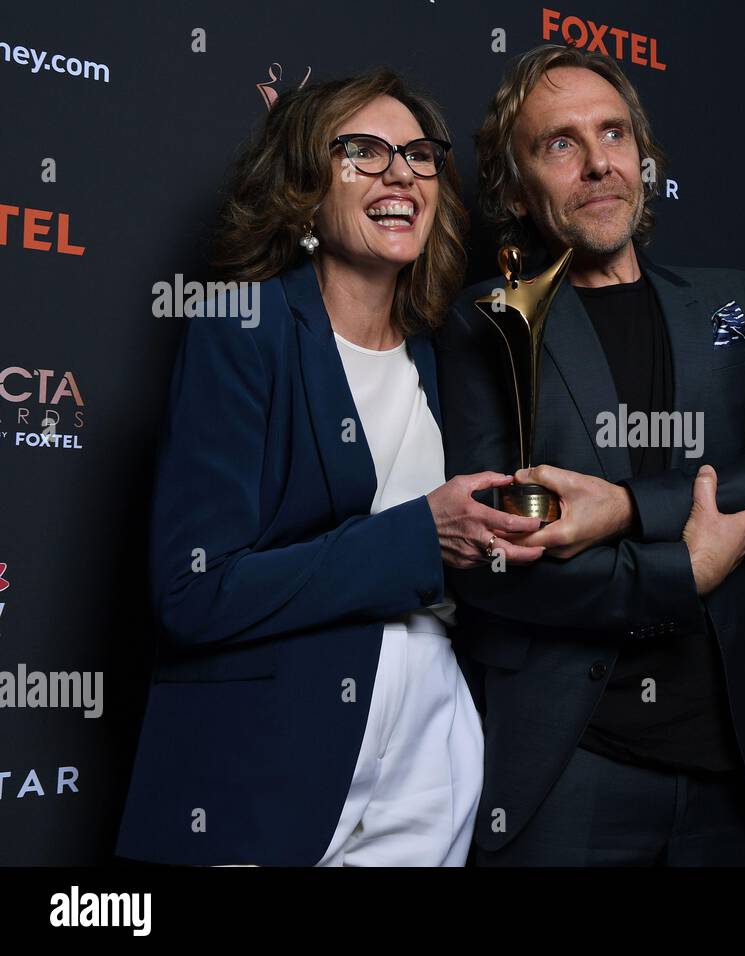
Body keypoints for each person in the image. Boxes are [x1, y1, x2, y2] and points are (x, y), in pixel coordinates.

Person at [115, 68, 550, 866]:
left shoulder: (448, 352)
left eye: (420, 155)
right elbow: (192, 591)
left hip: (431, 744)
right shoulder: (242, 328)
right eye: (363, 152)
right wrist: (421, 538)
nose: (400, 174)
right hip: (265, 755)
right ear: (305, 183)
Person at [437, 45, 745, 865]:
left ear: (643, 160)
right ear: (514, 188)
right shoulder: (492, 321)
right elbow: (490, 558)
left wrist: (623, 509)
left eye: (613, 134)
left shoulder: (727, 305)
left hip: (735, 762)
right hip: (573, 766)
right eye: (559, 144)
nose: (596, 163)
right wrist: (683, 567)